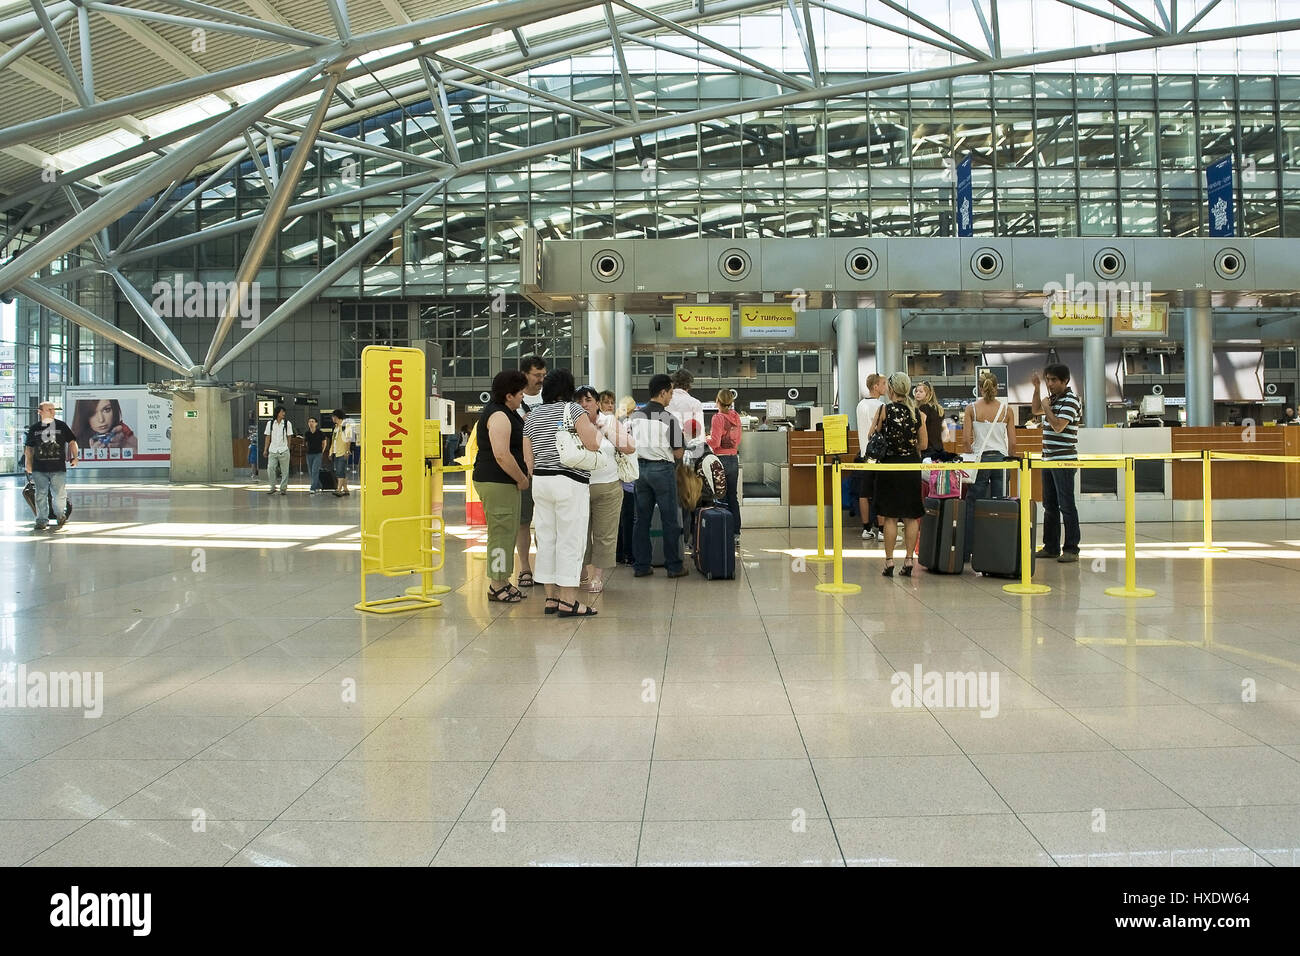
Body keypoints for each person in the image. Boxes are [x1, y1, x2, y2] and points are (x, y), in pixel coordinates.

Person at [521, 369, 602, 617]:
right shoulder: (574, 410)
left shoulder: (532, 415)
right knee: (571, 538)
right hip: (569, 481)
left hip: (541, 482)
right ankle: (569, 601)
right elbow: (594, 444)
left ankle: (551, 599)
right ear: (568, 390)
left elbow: (528, 458)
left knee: (547, 539)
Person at [475, 370, 532, 603]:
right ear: (509, 395)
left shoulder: (509, 412)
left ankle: (503, 580)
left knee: (508, 532)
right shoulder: (498, 416)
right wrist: (521, 478)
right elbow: (501, 454)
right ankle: (496, 584)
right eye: (520, 393)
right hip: (497, 482)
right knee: (500, 534)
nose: (522, 397)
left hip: (503, 483)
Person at [577, 385, 636, 593]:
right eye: (580, 401)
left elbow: (629, 447)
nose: (584, 404)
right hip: (578, 487)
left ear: (597, 403)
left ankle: (597, 576)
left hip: (608, 485)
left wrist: (605, 428)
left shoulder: (610, 421)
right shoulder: (571, 421)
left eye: (588, 400)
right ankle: (582, 571)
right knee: (579, 533)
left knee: (605, 534)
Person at [629, 374, 689, 579]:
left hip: (640, 471)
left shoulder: (635, 417)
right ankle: (674, 566)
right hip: (662, 471)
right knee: (669, 519)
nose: (671, 397)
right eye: (671, 393)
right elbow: (679, 452)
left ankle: (642, 566)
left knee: (641, 520)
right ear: (662, 392)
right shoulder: (668, 418)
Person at [870, 372, 928, 577]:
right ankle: (910, 559)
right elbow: (923, 444)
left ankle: (889, 561)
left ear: (892, 390)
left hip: (889, 468)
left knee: (891, 517)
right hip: (911, 467)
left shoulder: (884, 410)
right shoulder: (917, 414)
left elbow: (872, 435)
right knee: (911, 516)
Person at [962, 371, 1018, 560]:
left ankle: (967, 550)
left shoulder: (971, 409)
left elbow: (965, 441)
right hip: (1001, 461)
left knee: (972, 504)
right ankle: (999, 551)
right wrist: (1010, 457)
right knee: (1000, 505)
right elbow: (1013, 443)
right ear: (997, 387)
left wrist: (972, 456)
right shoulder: (1006, 410)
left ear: (979, 387)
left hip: (981, 461)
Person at [1031, 364, 1082, 562]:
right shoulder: (1053, 399)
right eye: (1047, 380)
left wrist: (1046, 408)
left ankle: (1071, 549)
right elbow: (1036, 409)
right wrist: (1036, 389)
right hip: (1048, 459)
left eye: (1054, 380)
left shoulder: (1071, 400)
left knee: (1066, 505)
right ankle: (1051, 546)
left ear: (1065, 381)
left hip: (1064, 460)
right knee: (1049, 504)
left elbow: (1059, 426)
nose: (1050, 384)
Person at [514, 354, 547, 587]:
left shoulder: (550, 398)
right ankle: (524, 568)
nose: (541, 380)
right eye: (537, 375)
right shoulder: (513, 400)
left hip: (548, 468)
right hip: (523, 469)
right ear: (524, 374)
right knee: (523, 520)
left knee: (547, 522)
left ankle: (545, 568)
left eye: (543, 375)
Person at [24, 401, 79, 533]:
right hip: (39, 468)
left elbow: (72, 441)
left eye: (53, 409)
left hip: (58, 468)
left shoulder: (61, 426)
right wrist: (28, 464)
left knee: (59, 495)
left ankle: (60, 515)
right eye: (49, 409)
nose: (52, 411)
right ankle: (41, 520)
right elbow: (29, 448)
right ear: (40, 412)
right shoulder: (35, 428)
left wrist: (75, 457)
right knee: (40, 494)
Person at [855, 373, 887, 540]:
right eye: (883, 383)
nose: (886, 386)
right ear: (876, 386)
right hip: (879, 455)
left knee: (864, 493)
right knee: (880, 492)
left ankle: (866, 528)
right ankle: (882, 530)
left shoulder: (860, 405)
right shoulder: (881, 406)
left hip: (864, 454)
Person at [707, 388, 743, 539]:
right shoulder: (736, 416)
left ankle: (723, 531)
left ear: (718, 401)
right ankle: (736, 532)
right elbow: (738, 439)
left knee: (720, 496)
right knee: (732, 496)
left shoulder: (718, 418)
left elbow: (715, 442)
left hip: (720, 459)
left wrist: (705, 438)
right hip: (734, 459)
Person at [615, 395, 638, 565]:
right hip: (630, 478)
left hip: (619, 477)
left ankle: (619, 553)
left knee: (620, 519)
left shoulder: (618, 425)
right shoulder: (632, 424)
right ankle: (629, 553)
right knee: (630, 518)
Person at [71, 398, 137, 454]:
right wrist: (93, 456)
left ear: (114, 408)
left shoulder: (124, 431)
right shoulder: (75, 440)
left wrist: (124, 446)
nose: (101, 419)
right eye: (92, 413)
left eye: (107, 410)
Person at [666, 368, 705, 442]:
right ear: (689, 384)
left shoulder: (665, 401)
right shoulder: (695, 403)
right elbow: (700, 433)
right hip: (687, 447)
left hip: (666, 447)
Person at [912, 381, 946, 461]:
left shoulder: (923, 408)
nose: (917, 393)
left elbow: (919, 427)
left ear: (928, 394)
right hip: (939, 448)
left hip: (927, 450)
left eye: (921, 391)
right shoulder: (939, 409)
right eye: (916, 391)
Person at [264, 406, 293, 495]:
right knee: (270, 468)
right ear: (277, 413)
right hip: (273, 449)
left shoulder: (287, 423)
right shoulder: (270, 423)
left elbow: (289, 436)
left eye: (284, 412)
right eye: (282, 412)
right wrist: (265, 449)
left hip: (283, 449)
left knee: (285, 471)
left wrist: (287, 448)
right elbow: (268, 437)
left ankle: (283, 488)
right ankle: (272, 487)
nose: (283, 414)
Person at [328, 409, 351, 497]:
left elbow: (348, 440)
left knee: (340, 471)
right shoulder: (335, 427)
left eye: (333, 416)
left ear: (336, 417)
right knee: (341, 471)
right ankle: (345, 489)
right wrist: (330, 452)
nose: (332, 418)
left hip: (342, 452)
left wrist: (347, 451)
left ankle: (339, 489)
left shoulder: (346, 426)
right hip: (336, 452)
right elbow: (333, 441)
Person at [302, 417, 328, 494]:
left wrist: (322, 452)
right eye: (309, 421)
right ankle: (319, 485)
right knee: (311, 471)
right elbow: (306, 443)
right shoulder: (307, 433)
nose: (311, 423)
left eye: (313, 421)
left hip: (318, 454)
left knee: (315, 470)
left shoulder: (320, 432)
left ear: (316, 423)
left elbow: (324, 443)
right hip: (309, 454)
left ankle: (313, 488)